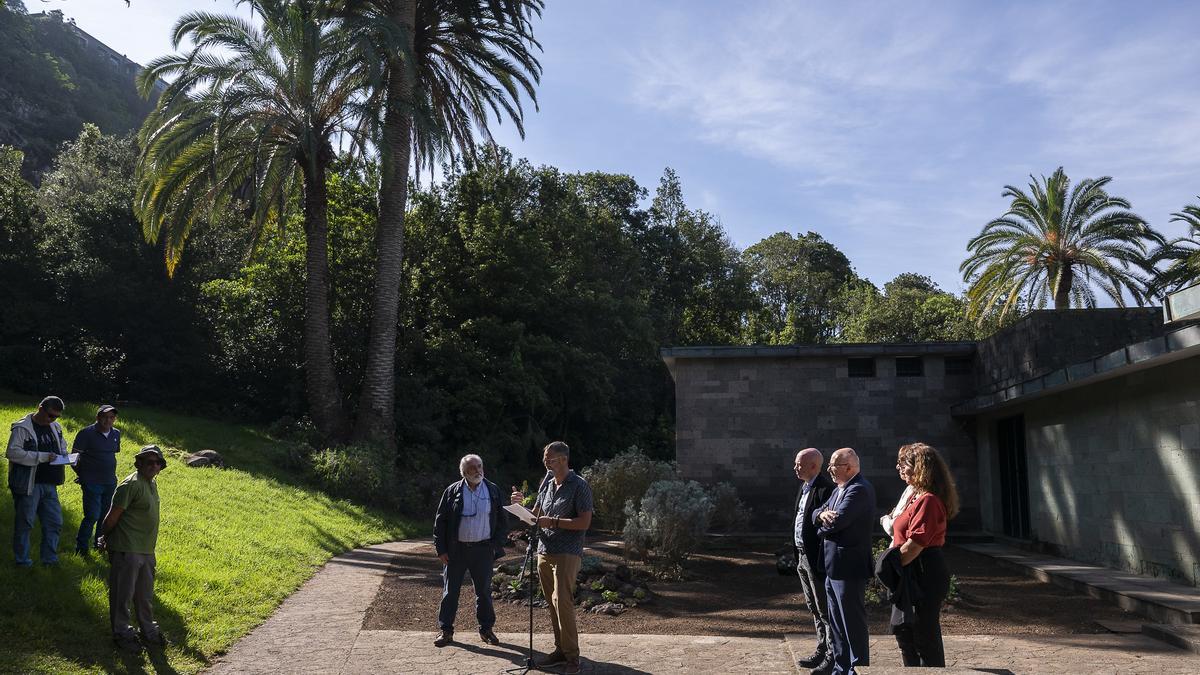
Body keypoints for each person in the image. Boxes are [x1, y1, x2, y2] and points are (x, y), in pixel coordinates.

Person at [510, 441, 593, 675]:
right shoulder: (546, 483)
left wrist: (555, 522)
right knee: (551, 602)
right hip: (544, 550)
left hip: (568, 551)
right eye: (545, 459)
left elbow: (585, 522)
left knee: (562, 601)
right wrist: (520, 505)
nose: (546, 462)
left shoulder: (579, 486)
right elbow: (536, 516)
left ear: (564, 459)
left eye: (551, 458)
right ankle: (560, 651)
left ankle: (573, 658)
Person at [887, 442, 959, 667]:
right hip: (912, 569)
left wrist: (890, 567)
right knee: (906, 632)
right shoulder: (915, 496)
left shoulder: (928, 500)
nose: (899, 468)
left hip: (924, 571)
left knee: (923, 635)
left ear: (920, 468)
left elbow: (915, 545)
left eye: (904, 464)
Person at [432, 453, 509, 648]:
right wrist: (441, 549)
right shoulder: (452, 491)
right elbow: (440, 522)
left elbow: (503, 521)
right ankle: (446, 631)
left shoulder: (492, 490)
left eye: (480, 466)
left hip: (483, 550)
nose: (478, 470)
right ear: (464, 472)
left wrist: (496, 546)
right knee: (450, 592)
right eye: (473, 468)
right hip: (456, 550)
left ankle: (486, 629)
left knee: (483, 592)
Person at [98, 444, 168, 652]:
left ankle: (148, 631)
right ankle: (122, 632)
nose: (153, 465)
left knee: (144, 596)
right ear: (139, 463)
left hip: (146, 550)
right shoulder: (130, 484)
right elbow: (111, 518)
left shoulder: (151, 483)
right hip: (126, 549)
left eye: (157, 462)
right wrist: (105, 537)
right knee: (123, 595)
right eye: (148, 462)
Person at [813, 447, 876, 675]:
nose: (829, 469)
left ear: (848, 467)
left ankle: (857, 668)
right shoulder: (839, 489)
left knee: (852, 622)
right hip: (833, 566)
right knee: (837, 623)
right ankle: (841, 667)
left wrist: (822, 524)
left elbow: (837, 523)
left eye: (833, 465)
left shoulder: (858, 490)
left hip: (849, 567)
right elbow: (816, 512)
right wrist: (821, 515)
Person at [6, 395, 69, 567]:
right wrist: (42, 457)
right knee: (25, 523)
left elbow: (62, 446)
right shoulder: (22, 428)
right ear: (40, 408)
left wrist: (65, 455)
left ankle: (50, 559)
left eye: (56, 416)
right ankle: (22, 561)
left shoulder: (55, 427)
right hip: (28, 484)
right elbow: (12, 453)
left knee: (55, 522)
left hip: (50, 484)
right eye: (50, 415)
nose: (53, 419)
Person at [793, 448, 836, 674]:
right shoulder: (804, 486)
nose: (795, 467)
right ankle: (821, 649)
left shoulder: (825, 489)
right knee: (813, 606)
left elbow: (825, 527)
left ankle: (830, 655)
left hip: (815, 558)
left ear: (813, 466)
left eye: (799, 464)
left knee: (823, 608)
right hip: (801, 555)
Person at [73, 404, 121, 555]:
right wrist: (83, 475)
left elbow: (112, 454)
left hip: (110, 481)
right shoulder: (85, 433)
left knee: (105, 516)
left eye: (111, 417)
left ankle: (99, 545)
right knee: (92, 515)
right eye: (105, 417)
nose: (108, 420)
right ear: (98, 417)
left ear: (115, 419)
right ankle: (81, 548)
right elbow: (74, 458)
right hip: (91, 482)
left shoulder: (116, 434)